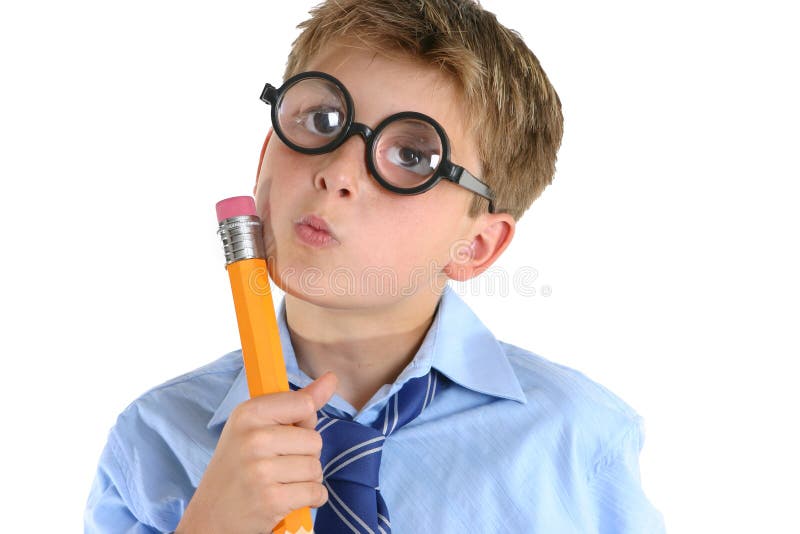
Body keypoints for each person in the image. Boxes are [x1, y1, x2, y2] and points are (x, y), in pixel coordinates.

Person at [85, 0, 665, 532]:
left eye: (412, 156)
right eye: (320, 122)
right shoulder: (153, 439)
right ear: (265, 156)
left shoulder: (578, 440)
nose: (337, 172)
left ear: (477, 245)